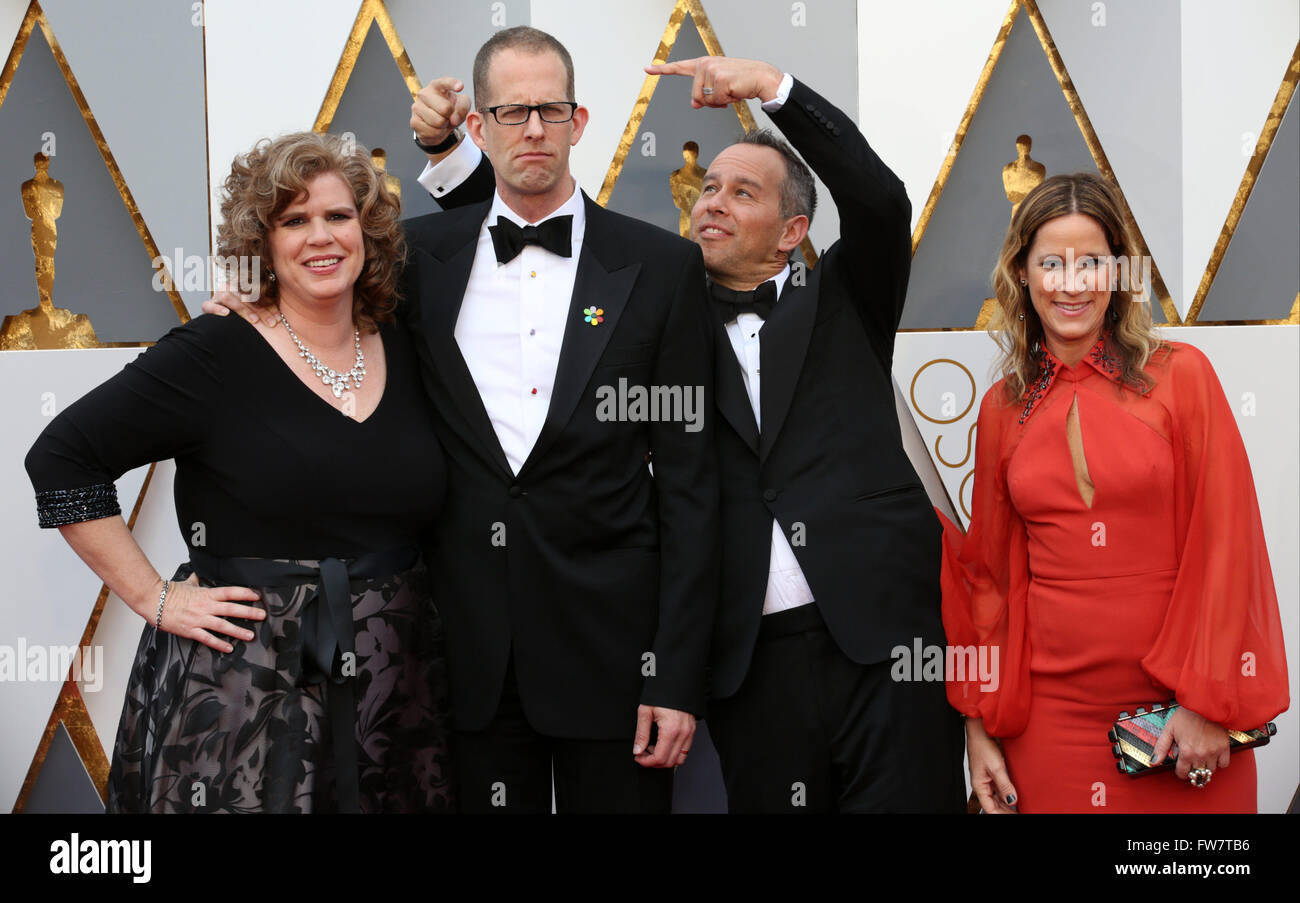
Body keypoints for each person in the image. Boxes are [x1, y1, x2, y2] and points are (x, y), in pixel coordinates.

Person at [419, 53, 968, 811]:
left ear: (793, 231)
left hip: (884, 645)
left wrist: (772, 89)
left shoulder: (847, 301)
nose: (713, 203)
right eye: (708, 187)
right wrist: (452, 152)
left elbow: (879, 200)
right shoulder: (658, 308)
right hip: (748, 663)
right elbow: (519, 237)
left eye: (743, 193)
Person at [218, 27, 719, 813]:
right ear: (478, 128)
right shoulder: (414, 259)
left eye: (551, 110)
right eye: (512, 112)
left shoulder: (662, 266)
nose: (533, 130)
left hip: (617, 656)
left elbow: (692, 486)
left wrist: (677, 672)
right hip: (459, 652)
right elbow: (319, 295)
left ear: (580, 121)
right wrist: (252, 306)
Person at [26, 132, 453, 813]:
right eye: (294, 220)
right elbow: (61, 457)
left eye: (338, 216)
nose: (321, 236)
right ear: (264, 242)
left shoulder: (407, 337)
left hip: (397, 685)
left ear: (367, 229)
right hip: (248, 692)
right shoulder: (216, 350)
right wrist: (156, 598)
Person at [941, 172, 1290, 813]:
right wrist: (979, 724)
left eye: (1091, 263)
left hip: (1180, 720)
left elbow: (1228, 545)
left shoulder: (1182, 377)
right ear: (1022, 273)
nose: (1071, 284)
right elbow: (989, 582)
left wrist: (1206, 701)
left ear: (1120, 273)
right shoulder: (1002, 409)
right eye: (1051, 263)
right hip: (1050, 722)